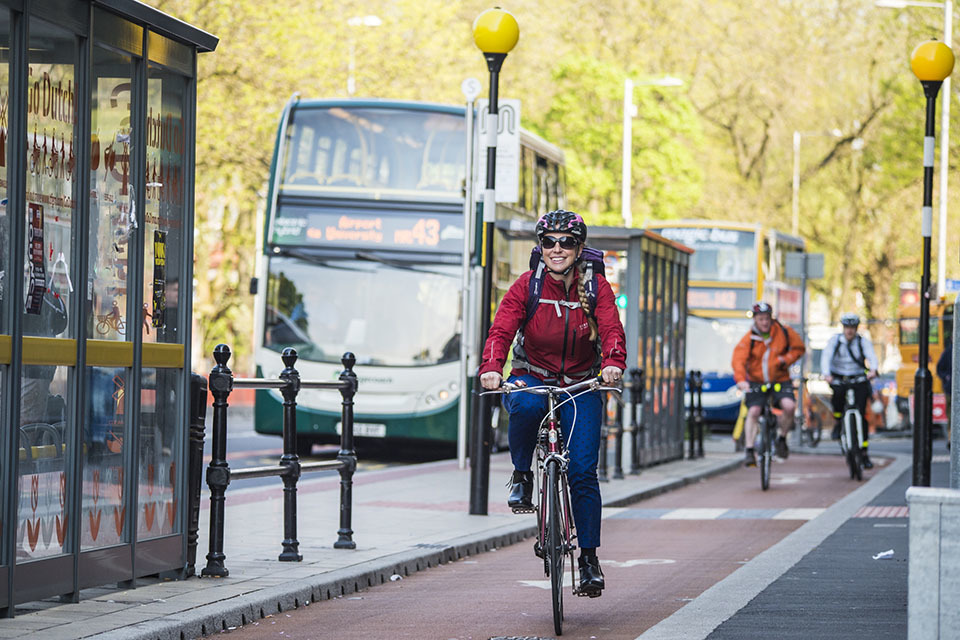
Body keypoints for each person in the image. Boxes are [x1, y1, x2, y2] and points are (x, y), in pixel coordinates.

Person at [479, 209, 626, 598]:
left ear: (579, 248)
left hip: (581, 383)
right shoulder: (527, 285)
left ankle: (589, 560)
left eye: (566, 242)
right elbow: (502, 328)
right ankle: (522, 476)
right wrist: (492, 367)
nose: (557, 248)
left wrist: (612, 363)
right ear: (540, 247)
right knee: (524, 405)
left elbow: (611, 329)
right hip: (533, 373)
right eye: (549, 241)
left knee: (582, 473)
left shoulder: (596, 289)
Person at [731, 301, 805, 467]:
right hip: (757, 381)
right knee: (754, 411)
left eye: (767, 319)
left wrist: (785, 359)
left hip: (780, 379)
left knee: (789, 406)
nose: (764, 322)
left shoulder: (784, 332)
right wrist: (742, 381)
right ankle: (750, 450)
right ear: (755, 320)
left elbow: (799, 348)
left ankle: (781, 438)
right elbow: (738, 361)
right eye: (760, 319)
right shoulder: (748, 339)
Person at [821, 313, 879, 469]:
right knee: (838, 399)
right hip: (839, 377)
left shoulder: (862, 342)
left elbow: (871, 356)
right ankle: (838, 422)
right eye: (847, 327)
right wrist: (826, 374)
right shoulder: (835, 341)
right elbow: (826, 357)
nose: (849, 331)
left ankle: (864, 451)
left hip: (858, 377)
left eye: (852, 328)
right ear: (843, 328)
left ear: (856, 328)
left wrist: (873, 370)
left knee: (861, 413)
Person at [937, 336, 952, 448]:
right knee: (951, 415)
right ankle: (950, 438)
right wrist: (946, 377)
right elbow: (939, 369)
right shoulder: (948, 352)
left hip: (949, 388)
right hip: (950, 389)